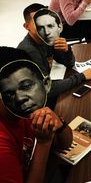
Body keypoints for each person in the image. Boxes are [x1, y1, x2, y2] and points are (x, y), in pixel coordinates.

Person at [0, 46, 72, 183]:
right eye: (8, 93)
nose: (20, 98)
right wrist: (44, 142)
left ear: (44, 84)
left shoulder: (27, 110)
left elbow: (65, 144)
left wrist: (59, 125)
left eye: (26, 86)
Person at [18, 3, 91, 109]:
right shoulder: (29, 51)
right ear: (26, 26)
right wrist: (82, 76)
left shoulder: (47, 38)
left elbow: (69, 63)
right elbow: (47, 89)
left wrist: (66, 50)